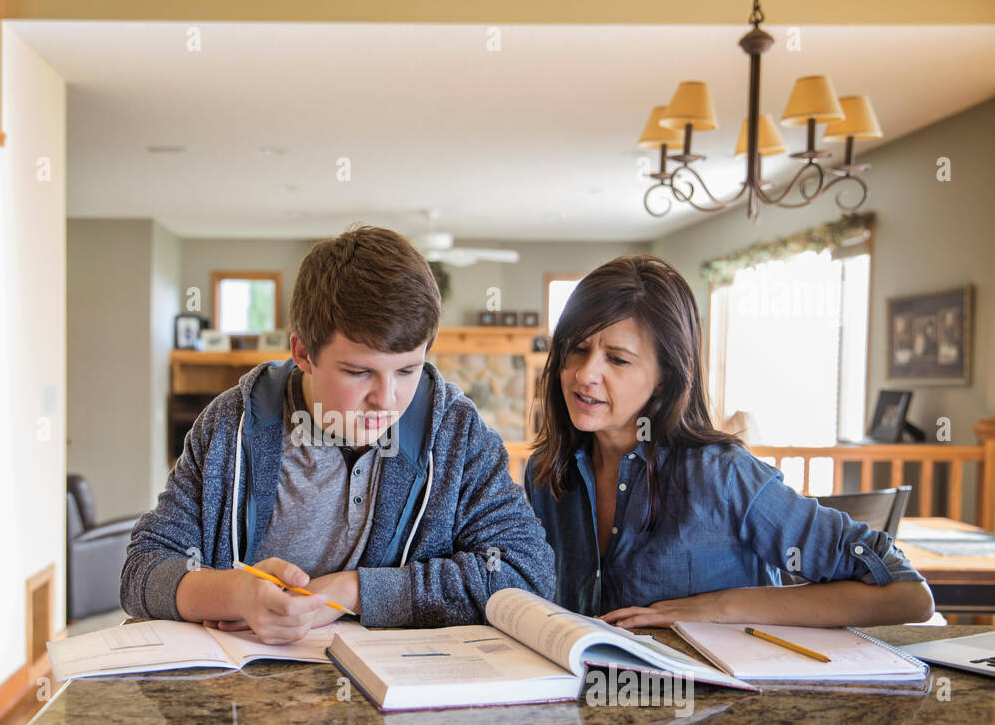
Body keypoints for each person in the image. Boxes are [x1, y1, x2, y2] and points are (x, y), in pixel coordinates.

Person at [121, 225, 554, 641]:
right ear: (303, 353)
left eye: (407, 370)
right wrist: (231, 593)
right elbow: (142, 567)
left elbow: (527, 571)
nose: (386, 399)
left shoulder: (456, 431)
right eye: (358, 371)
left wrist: (351, 592)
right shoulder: (229, 425)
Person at [524, 254, 934, 628]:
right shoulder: (547, 474)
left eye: (617, 359)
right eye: (576, 350)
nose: (584, 374)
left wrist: (722, 606)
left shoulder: (720, 474)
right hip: (593, 698)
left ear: (666, 374)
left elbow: (907, 594)